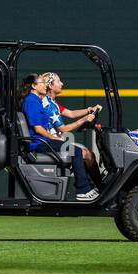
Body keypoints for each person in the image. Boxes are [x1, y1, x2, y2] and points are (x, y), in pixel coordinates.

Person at [22, 73, 98, 202]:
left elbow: (70, 113)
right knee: (77, 151)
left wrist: (88, 110)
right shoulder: (32, 101)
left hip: (44, 140)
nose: (45, 86)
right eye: (42, 84)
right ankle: (83, 190)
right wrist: (53, 137)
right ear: (34, 86)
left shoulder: (38, 100)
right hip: (39, 142)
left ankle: (90, 187)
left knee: (79, 151)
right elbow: (38, 128)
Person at [40, 71, 102, 180]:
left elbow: (71, 113)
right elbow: (63, 129)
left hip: (55, 140)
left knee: (87, 153)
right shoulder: (49, 105)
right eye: (58, 81)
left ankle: (95, 187)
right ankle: (91, 188)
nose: (62, 84)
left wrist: (89, 110)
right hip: (51, 142)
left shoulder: (52, 102)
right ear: (50, 86)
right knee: (86, 154)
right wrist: (84, 119)